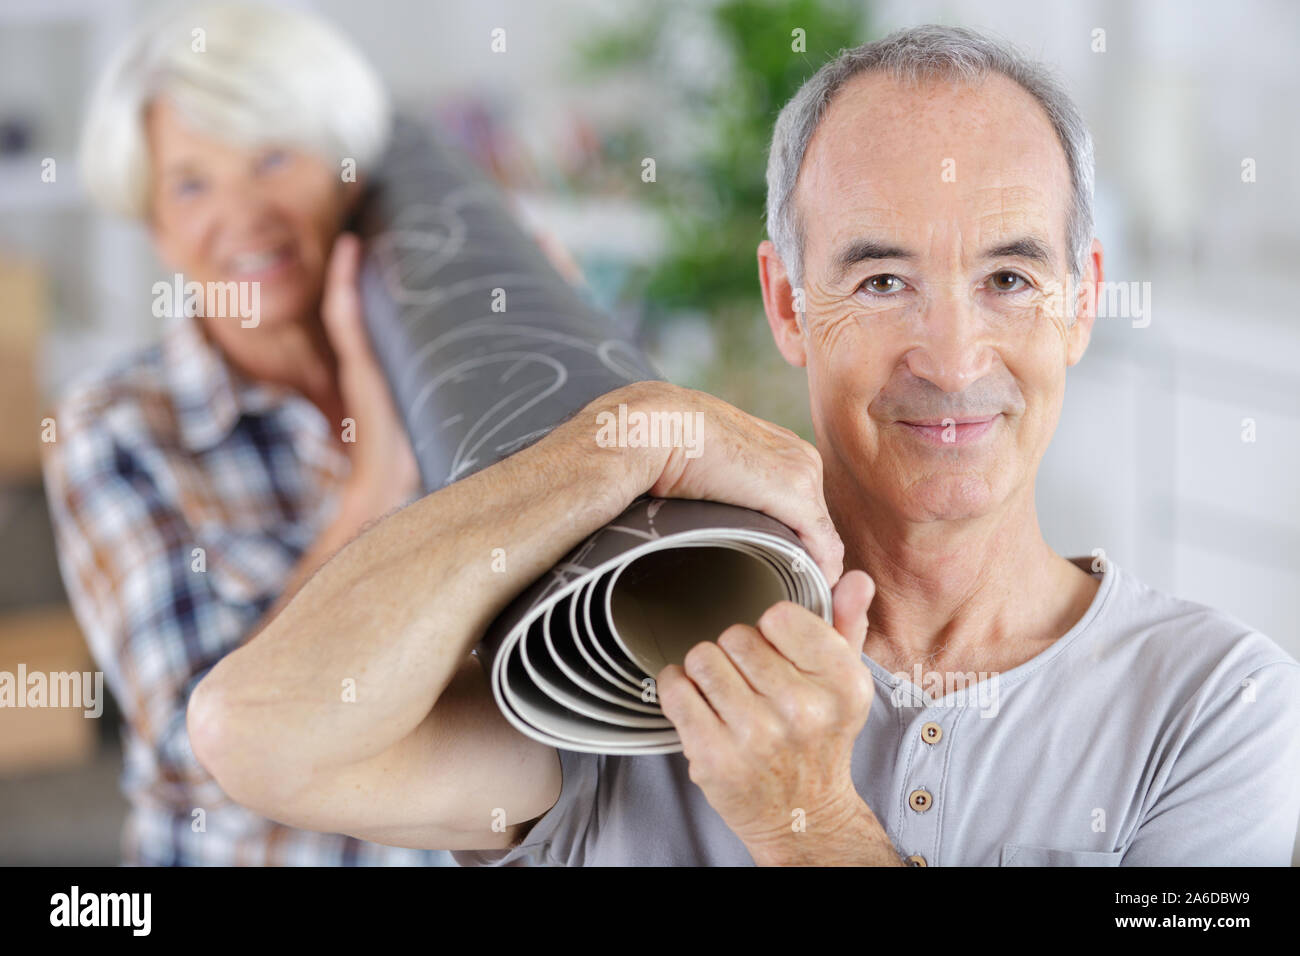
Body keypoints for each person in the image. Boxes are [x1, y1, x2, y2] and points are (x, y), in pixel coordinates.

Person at [186, 25, 1300, 866]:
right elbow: (255, 730)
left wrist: (805, 817)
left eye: (1008, 276)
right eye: (880, 279)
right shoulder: (633, 645)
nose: (953, 357)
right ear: (785, 303)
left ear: (1079, 301)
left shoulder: (1215, 709)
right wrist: (612, 445)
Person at [42, 1, 451, 865]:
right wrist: (373, 486)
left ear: (348, 175)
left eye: (273, 158)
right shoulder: (113, 431)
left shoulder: (442, 364)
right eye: (191, 183)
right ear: (155, 224)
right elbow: (201, 761)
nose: (244, 215)